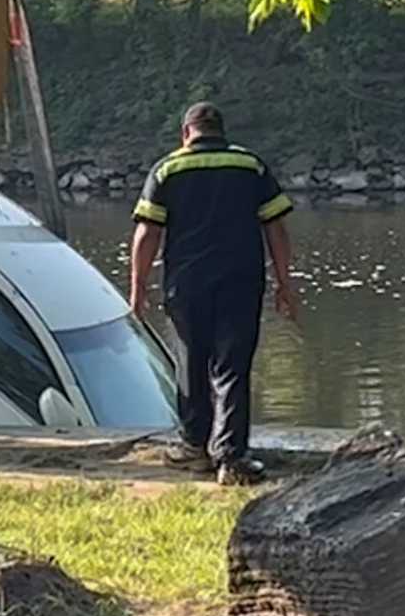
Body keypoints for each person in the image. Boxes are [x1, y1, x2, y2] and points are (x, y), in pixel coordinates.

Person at [128, 102, 299, 486]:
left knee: (190, 363)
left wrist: (138, 288)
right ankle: (231, 458)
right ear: (221, 131)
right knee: (231, 366)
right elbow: (276, 228)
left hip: (187, 283)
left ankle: (194, 447)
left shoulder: (168, 168)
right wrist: (285, 284)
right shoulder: (250, 165)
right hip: (241, 280)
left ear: (186, 133)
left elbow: (147, 233)